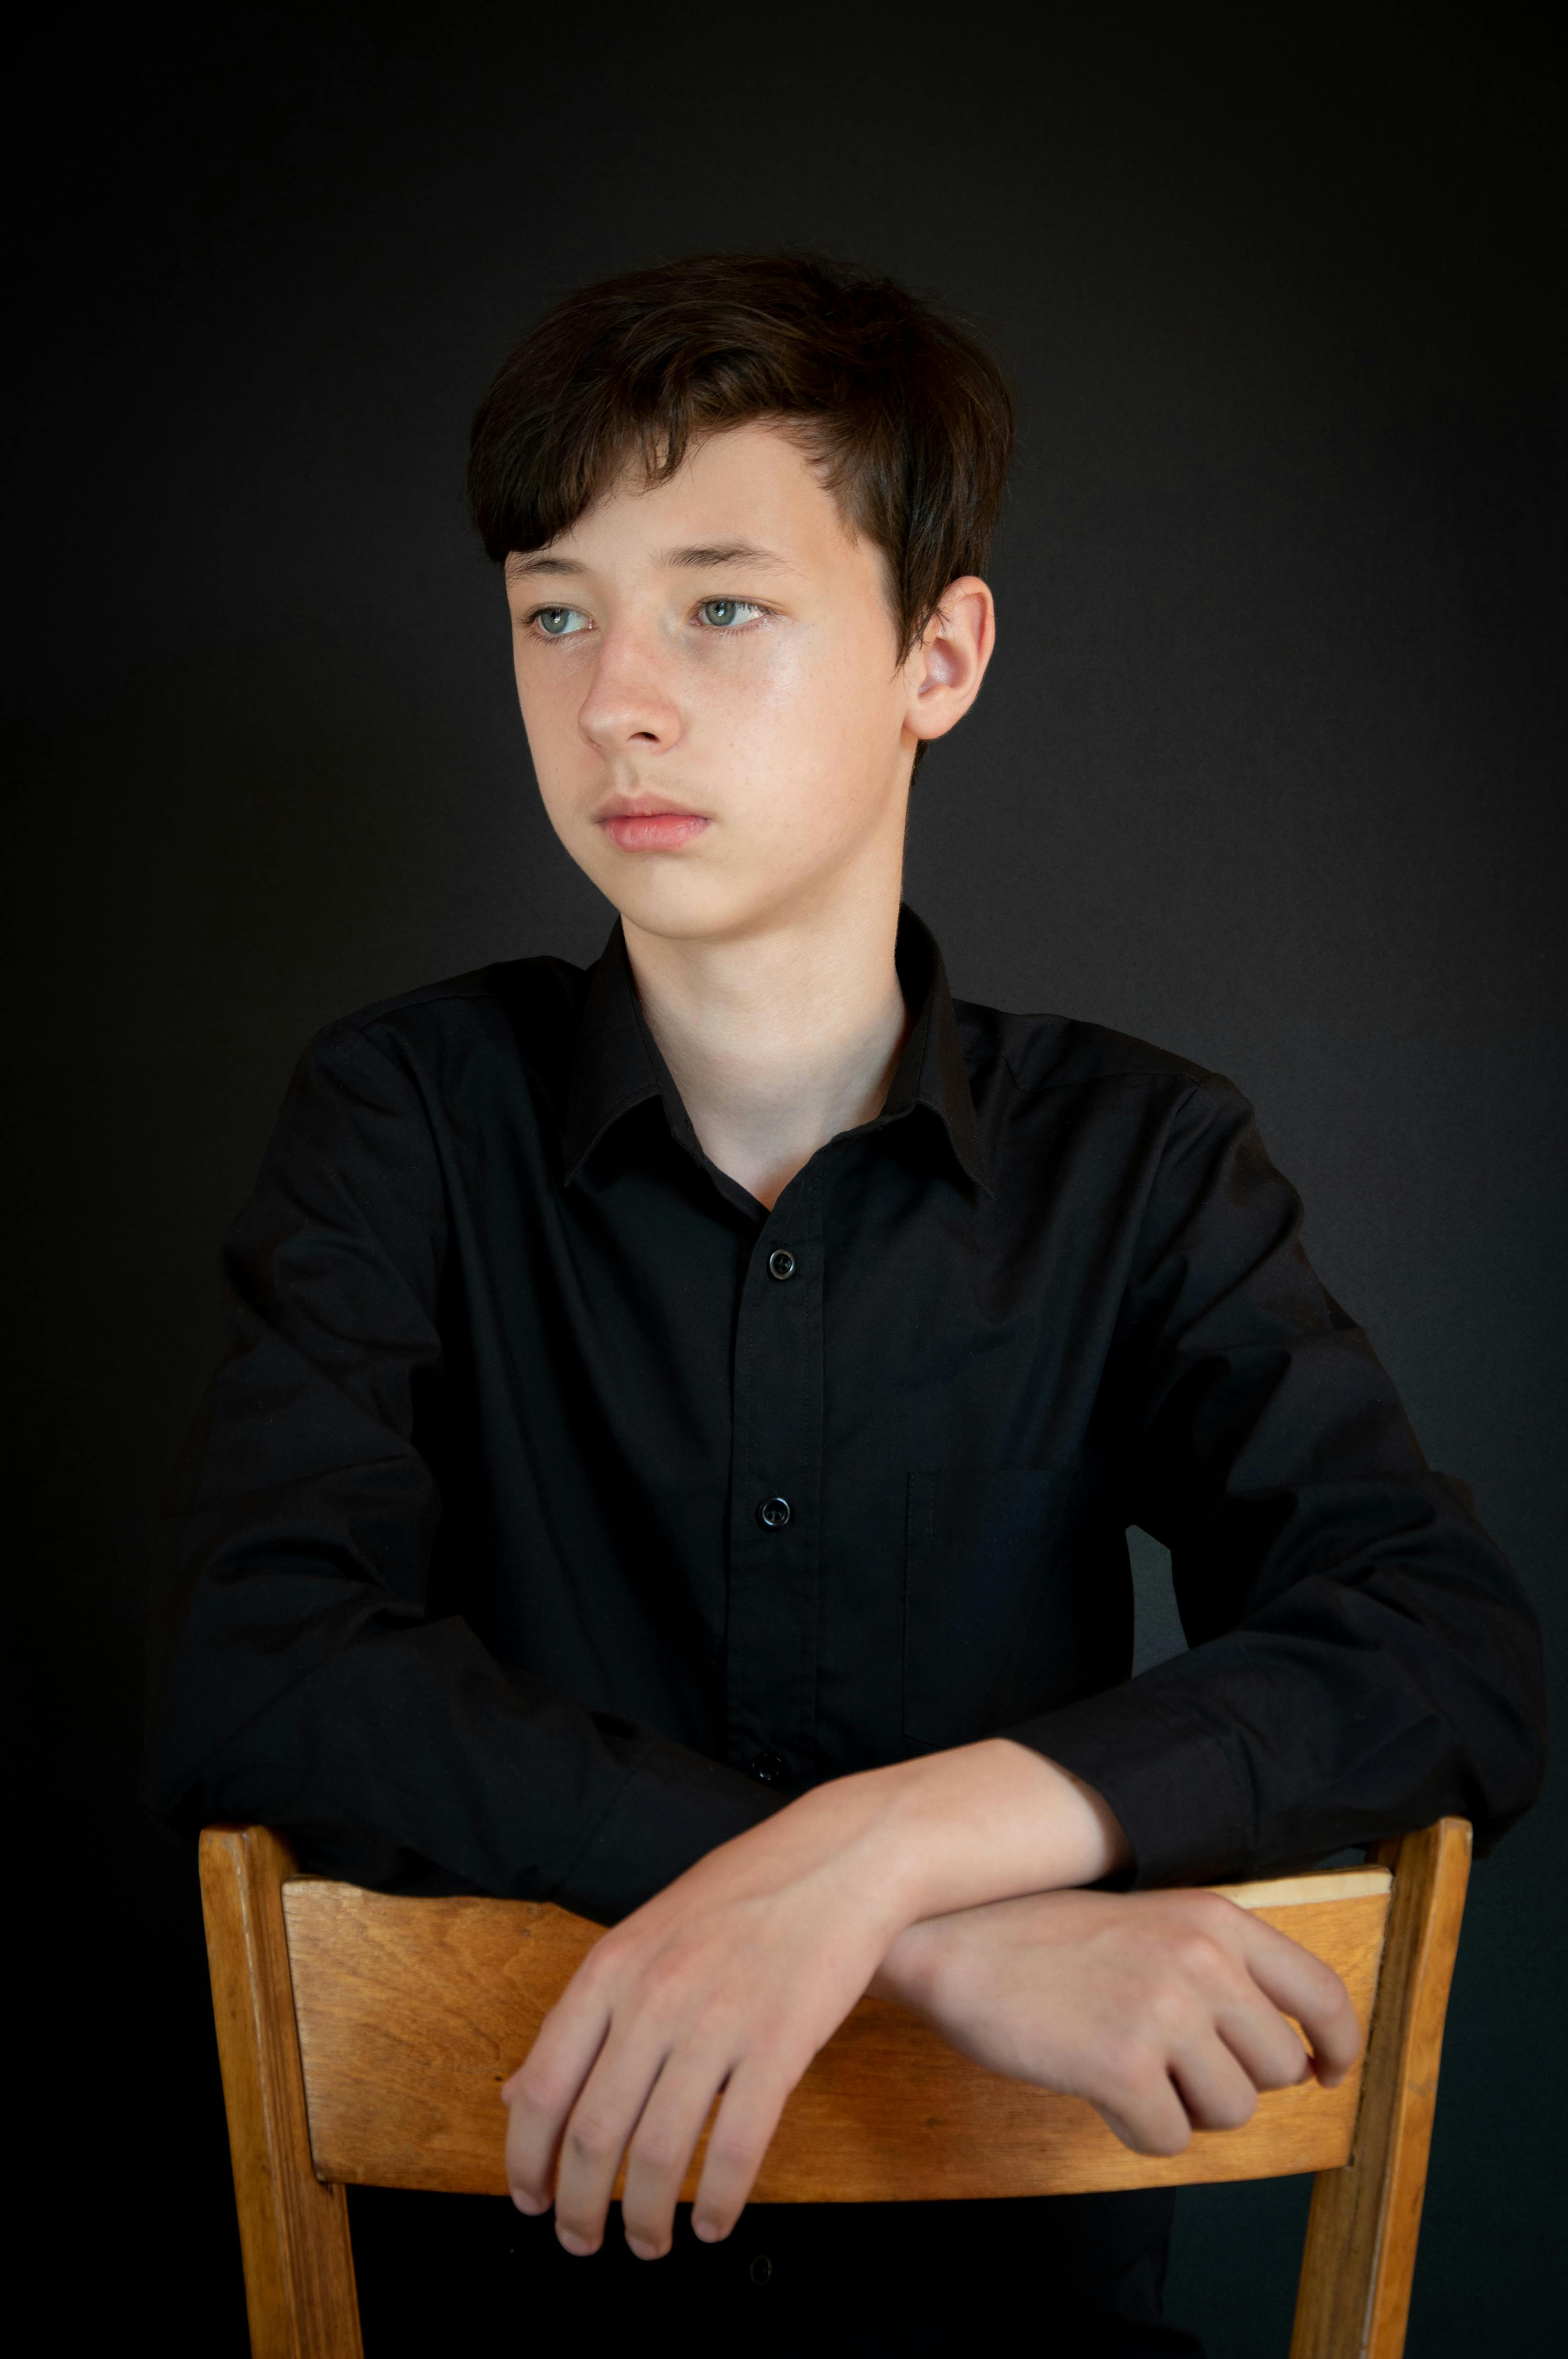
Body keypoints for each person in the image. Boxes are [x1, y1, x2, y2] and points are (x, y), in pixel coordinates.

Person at [145, 252, 1545, 2356]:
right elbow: (254, 1666)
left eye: (721, 605)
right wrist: (933, 1941)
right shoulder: (401, 1119)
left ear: (938, 656)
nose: (613, 699)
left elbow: (1441, 1649)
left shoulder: (1143, 1160)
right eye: (555, 612)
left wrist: (880, 1852)